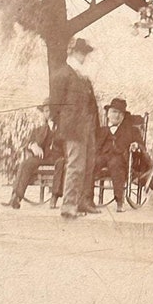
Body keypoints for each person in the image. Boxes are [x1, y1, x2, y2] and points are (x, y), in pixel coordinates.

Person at [50, 37, 101, 219]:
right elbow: (54, 105)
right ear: (73, 52)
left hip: (88, 125)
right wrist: (59, 122)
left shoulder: (83, 76)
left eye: (85, 53)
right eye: (81, 52)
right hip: (73, 127)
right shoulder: (63, 73)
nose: (84, 56)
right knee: (76, 165)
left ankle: (81, 202)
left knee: (88, 165)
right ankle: (68, 206)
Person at [2, 99, 65, 209]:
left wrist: (54, 129)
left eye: (50, 110)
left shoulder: (63, 129)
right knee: (26, 163)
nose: (48, 113)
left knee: (61, 162)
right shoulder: (39, 130)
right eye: (45, 111)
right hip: (43, 157)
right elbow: (27, 143)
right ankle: (16, 197)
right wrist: (32, 145)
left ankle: (54, 198)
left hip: (58, 157)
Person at [95, 98, 149, 212]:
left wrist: (135, 145)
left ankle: (120, 201)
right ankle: (86, 199)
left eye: (120, 113)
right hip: (104, 156)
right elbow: (95, 146)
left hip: (122, 159)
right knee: (92, 163)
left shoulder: (131, 130)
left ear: (124, 116)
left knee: (115, 163)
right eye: (114, 112)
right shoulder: (102, 131)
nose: (117, 115)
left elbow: (141, 145)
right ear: (108, 114)